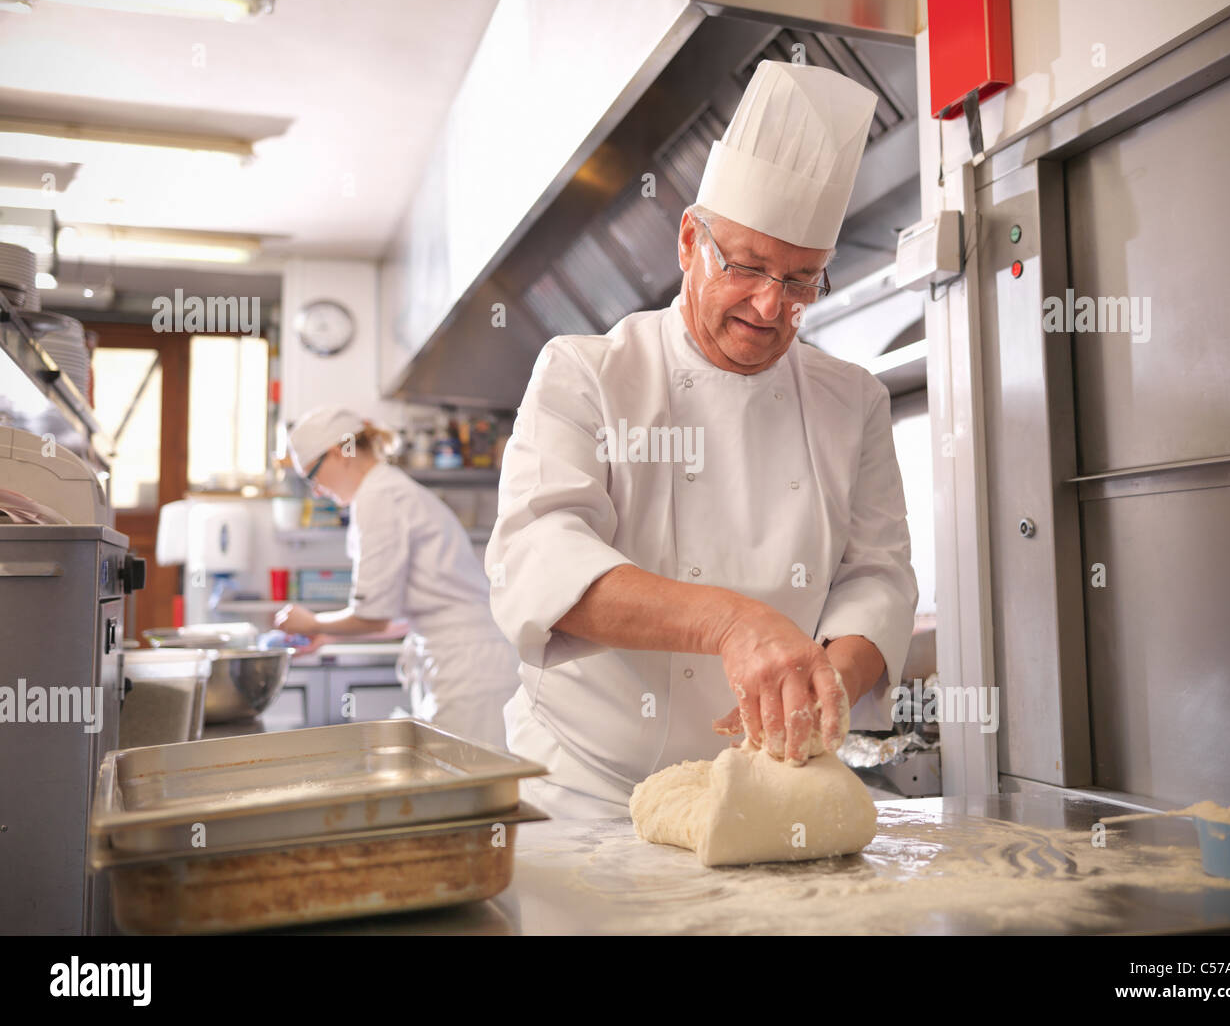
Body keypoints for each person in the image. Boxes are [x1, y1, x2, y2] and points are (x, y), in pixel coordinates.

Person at [486, 61, 920, 818]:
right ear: (690, 240)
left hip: (759, 786)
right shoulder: (586, 373)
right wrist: (733, 621)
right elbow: (539, 555)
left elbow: (877, 577)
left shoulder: (854, 399)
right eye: (748, 266)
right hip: (586, 791)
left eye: (801, 281)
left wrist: (823, 686)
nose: (770, 304)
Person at [277, 407, 520, 748]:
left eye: (312, 476)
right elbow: (402, 616)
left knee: (462, 783)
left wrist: (312, 623)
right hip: (463, 658)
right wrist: (330, 636)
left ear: (338, 453)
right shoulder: (386, 490)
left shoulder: (377, 497)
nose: (316, 491)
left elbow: (372, 617)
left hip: (468, 668)